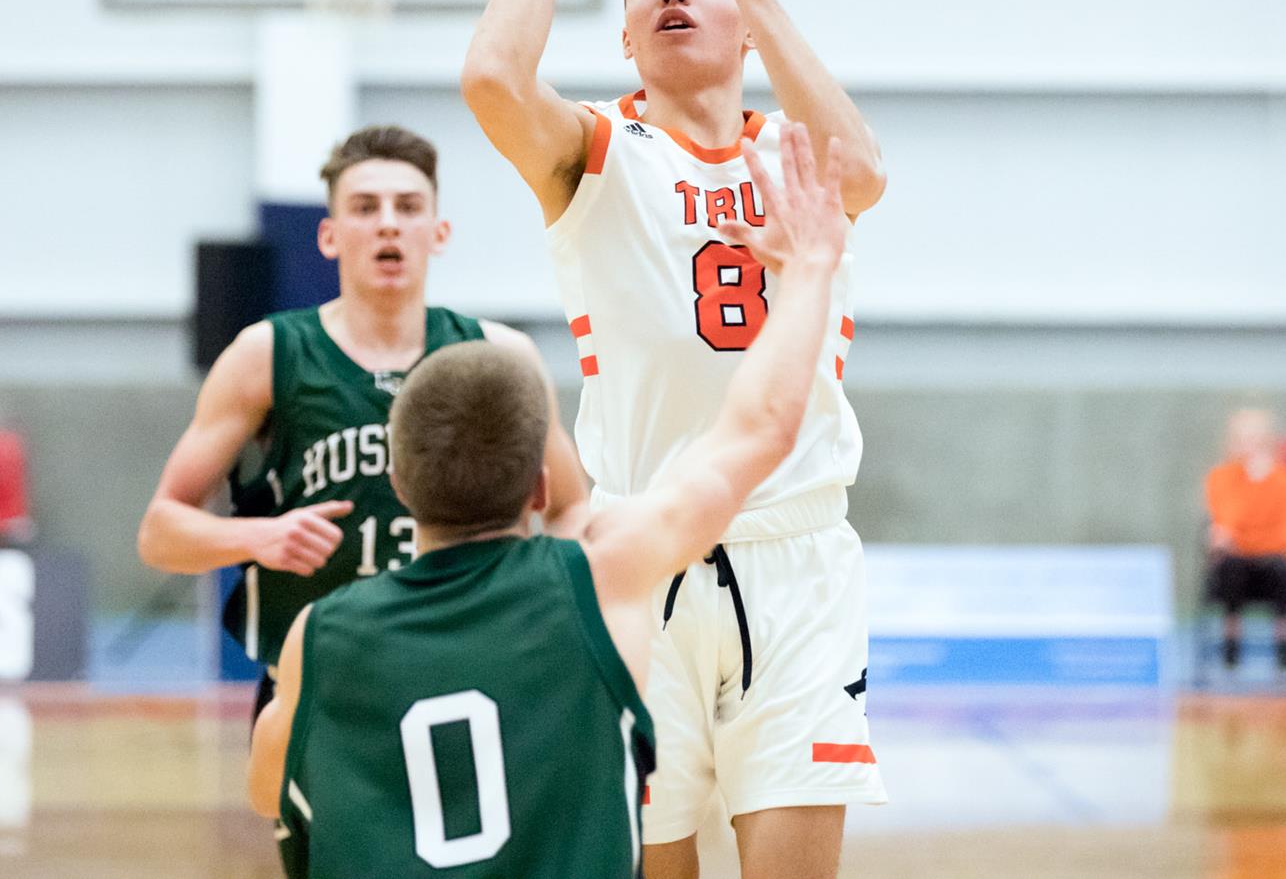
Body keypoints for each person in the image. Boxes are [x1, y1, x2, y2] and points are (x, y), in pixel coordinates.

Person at [248, 122, 849, 879]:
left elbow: (266, 787)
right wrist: (812, 268)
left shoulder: (319, 636)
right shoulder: (601, 580)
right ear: (540, 483)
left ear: (399, 485)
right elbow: (759, 430)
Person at [462, 0, 887, 878]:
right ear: (623, 30)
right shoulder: (595, 151)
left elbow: (864, 173)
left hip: (796, 563)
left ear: (743, 22)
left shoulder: (792, 160)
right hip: (639, 557)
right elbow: (489, 77)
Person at [136, 123, 589, 706]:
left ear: (438, 231)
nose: (388, 223)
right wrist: (260, 536)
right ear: (329, 236)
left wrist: (538, 594)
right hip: (318, 677)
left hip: (464, 669)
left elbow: (573, 508)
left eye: (408, 207)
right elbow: (160, 533)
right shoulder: (266, 354)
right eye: (365, 207)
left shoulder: (498, 356)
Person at [1203, 408, 1286, 671]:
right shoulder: (1220, 478)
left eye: (1256, 438)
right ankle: (1231, 640)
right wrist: (1250, 485)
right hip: (1237, 563)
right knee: (1230, 567)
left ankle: (1284, 641)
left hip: (1273, 562)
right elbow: (1225, 525)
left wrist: (1245, 537)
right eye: (1243, 438)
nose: (1249, 446)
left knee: (1281, 569)